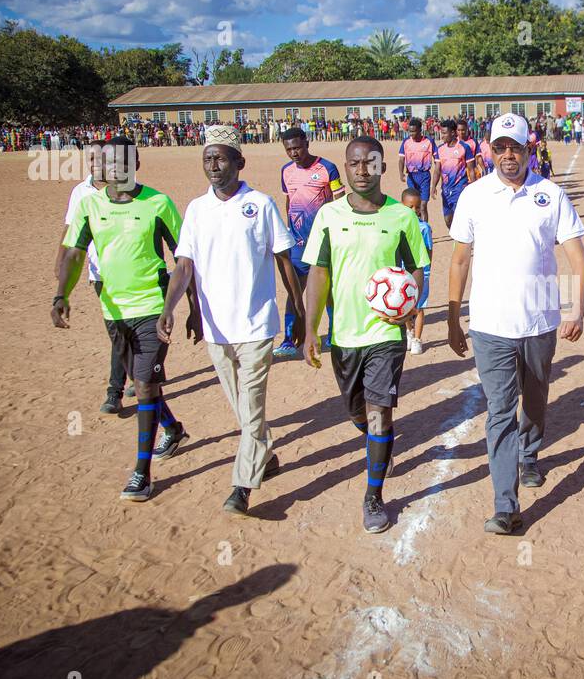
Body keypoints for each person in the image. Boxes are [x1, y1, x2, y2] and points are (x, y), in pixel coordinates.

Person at [447, 113, 584, 534]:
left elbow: (575, 255)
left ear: (529, 149)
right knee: (499, 412)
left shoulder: (551, 195)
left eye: (516, 147)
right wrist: (454, 317)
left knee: (536, 399)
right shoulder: (474, 195)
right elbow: (459, 258)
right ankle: (505, 504)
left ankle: (531, 453)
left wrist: (573, 309)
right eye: (500, 147)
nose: (508, 155)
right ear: (489, 150)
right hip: (490, 323)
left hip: (541, 319)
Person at [157, 126, 304, 516]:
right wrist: (173, 308)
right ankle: (265, 455)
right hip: (215, 328)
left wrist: (299, 310)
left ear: (240, 162)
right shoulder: (196, 209)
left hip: (256, 326)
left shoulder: (261, 204)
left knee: (251, 409)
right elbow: (184, 265)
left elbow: (283, 259)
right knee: (242, 410)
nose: (213, 166)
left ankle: (242, 486)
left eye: (221, 158)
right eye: (207, 159)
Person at [53, 137, 195, 502]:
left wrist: (187, 307)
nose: (114, 167)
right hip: (112, 310)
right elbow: (73, 253)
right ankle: (173, 429)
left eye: (122, 161)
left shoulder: (158, 203)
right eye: (108, 161)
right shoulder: (89, 205)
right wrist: (61, 293)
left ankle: (141, 473)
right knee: (140, 378)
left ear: (136, 163)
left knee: (145, 384)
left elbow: (185, 258)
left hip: (152, 308)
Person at [302, 136, 429, 533]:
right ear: (347, 166)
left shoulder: (401, 217)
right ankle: (379, 445)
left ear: (382, 167)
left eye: (369, 163)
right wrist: (309, 329)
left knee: (379, 412)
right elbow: (318, 275)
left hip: (384, 335)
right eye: (354, 163)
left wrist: (407, 308)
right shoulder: (328, 215)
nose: (361, 170)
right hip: (344, 335)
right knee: (357, 412)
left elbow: (417, 270)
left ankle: (373, 495)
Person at [57, 138, 132, 414]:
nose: (95, 165)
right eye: (91, 160)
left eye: (101, 160)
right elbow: (70, 231)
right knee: (118, 333)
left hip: (132, 273)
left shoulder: (130, 189)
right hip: (99, 274)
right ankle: (122, 385)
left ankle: (123, 385)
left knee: (126, 331)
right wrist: (61, 265)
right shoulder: (81, 192)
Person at [274, 127, 341, 360]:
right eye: (289, 149)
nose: (294, 153)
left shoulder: (328, 168)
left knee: (329, 290)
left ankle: (334, 336)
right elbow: (289, 202)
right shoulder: (286, 171)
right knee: (294, 292)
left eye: (297, 147)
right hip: (297, 244)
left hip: (323, 242)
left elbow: (339, 203)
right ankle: (289, 339)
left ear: (307, 143)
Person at [401, 186, 433, 354]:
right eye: (409, 207)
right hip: (403, 272)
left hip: (422, 273)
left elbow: (429, 250)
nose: (414, 211)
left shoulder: (425, 228)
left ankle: (417, 339)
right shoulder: (398, 227)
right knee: (406, 305)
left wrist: (428, 270)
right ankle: (409, 330)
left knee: (419, 306)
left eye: (417, 207)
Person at [436, 119, 475, 228]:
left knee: (460, 217)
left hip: (459, 188)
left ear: (453, 133)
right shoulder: (440, 149)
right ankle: (456, 237)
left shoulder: (464, 147)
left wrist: (473, 186)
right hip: (445, 189)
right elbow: (437, 169)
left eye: (444, 133)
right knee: (448, 220)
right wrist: (433, 186)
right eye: (441, 133)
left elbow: (471, 169)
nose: (442, 135)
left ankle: (462, 241)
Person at [399, 117, 438, 223]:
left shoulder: (429, 142)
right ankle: (415, 227)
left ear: (420, 130)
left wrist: (437, 177)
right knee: (412, 205)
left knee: (423, 205)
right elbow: (401, 159)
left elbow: (437, 160)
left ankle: (425, 229)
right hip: (411, 176)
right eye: (410, 131)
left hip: (424, 176)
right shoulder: (406, 142)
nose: (411, 134)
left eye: (414, 131)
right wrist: (401, 173)